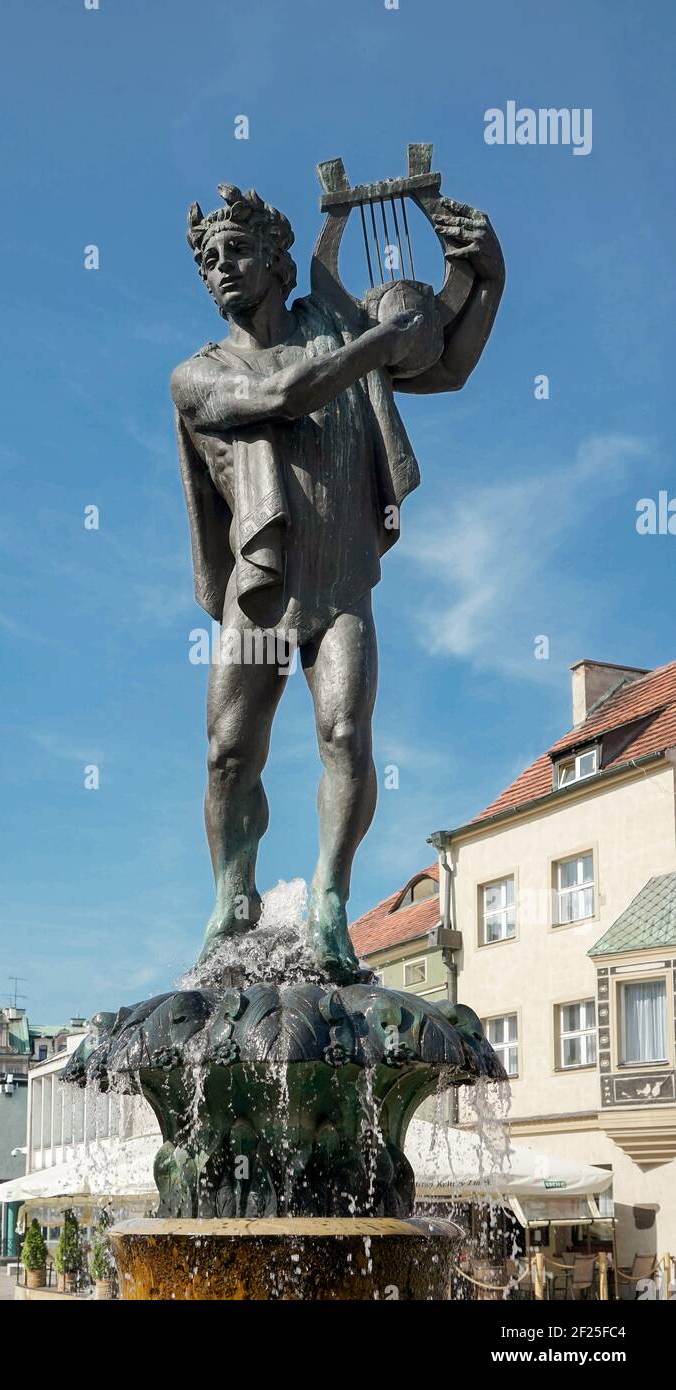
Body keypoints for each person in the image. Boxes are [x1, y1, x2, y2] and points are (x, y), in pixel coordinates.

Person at [172, 182, 504, 976]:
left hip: (341, 573)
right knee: (227, 752)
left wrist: (486, 277)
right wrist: (377, 340)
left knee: (347, 735)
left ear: (282, 263)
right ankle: (233, 898)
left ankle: (329, 898)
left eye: (238, 252)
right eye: (209, 259)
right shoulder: (198, 374)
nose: (221, 268)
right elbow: (284, 394)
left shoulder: (342, 328)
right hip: (260, 585)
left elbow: (448, 362)